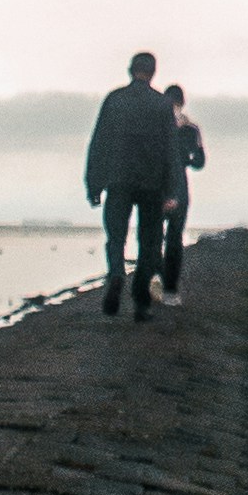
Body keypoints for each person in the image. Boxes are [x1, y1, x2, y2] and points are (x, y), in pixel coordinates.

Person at [83, 51, 179, 321]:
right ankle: (140, 299)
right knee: (149, 241)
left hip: (118, 180)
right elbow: (171, 151)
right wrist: (172, 190)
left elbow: (99, 143)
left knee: (115, 237)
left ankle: (116, 274)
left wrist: (93, 184)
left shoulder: (115, 100)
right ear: (153, 73)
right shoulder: (162, 105)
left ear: (130, 70)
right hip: (152, 182)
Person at [157, 84, 206, 304]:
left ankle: (165, 284)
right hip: (177, 187)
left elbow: (199, 161)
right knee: (169, 238)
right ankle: (168, 288)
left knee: (163, 238)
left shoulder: (164, 128)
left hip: (162, 187)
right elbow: (199, 161)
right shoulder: (189, 129)